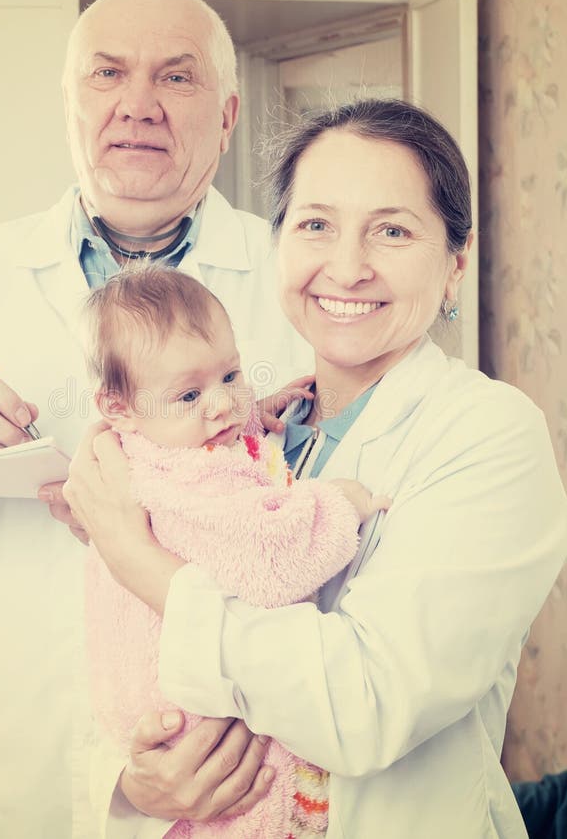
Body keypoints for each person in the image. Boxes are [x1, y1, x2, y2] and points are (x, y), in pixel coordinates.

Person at [0, 0, 312, 838]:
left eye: (176, 78)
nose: (137, 105)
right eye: (107, 74)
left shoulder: (293, 281)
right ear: (70, 101)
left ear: (227, 114)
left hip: (216, 755)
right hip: (11, 751)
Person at [63, 98, 567, 839]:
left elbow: (362, 707)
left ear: (455, 265)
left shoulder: (489, 435)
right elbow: (118, 652)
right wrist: (139, 782)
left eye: (391, 231)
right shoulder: (232, 435)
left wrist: (134, 556)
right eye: (315, 225)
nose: (346, 266)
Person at [82, 265, 387, 838]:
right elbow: (271, 563)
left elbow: (212, 428)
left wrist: (250, 412)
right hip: (199, 723)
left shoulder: (150, 445)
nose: (221, 404)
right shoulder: (183, 484)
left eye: (231, 375)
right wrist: (339, 505)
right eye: (191, 393)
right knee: (259, 809)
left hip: (173, 715)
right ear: (117, 407)